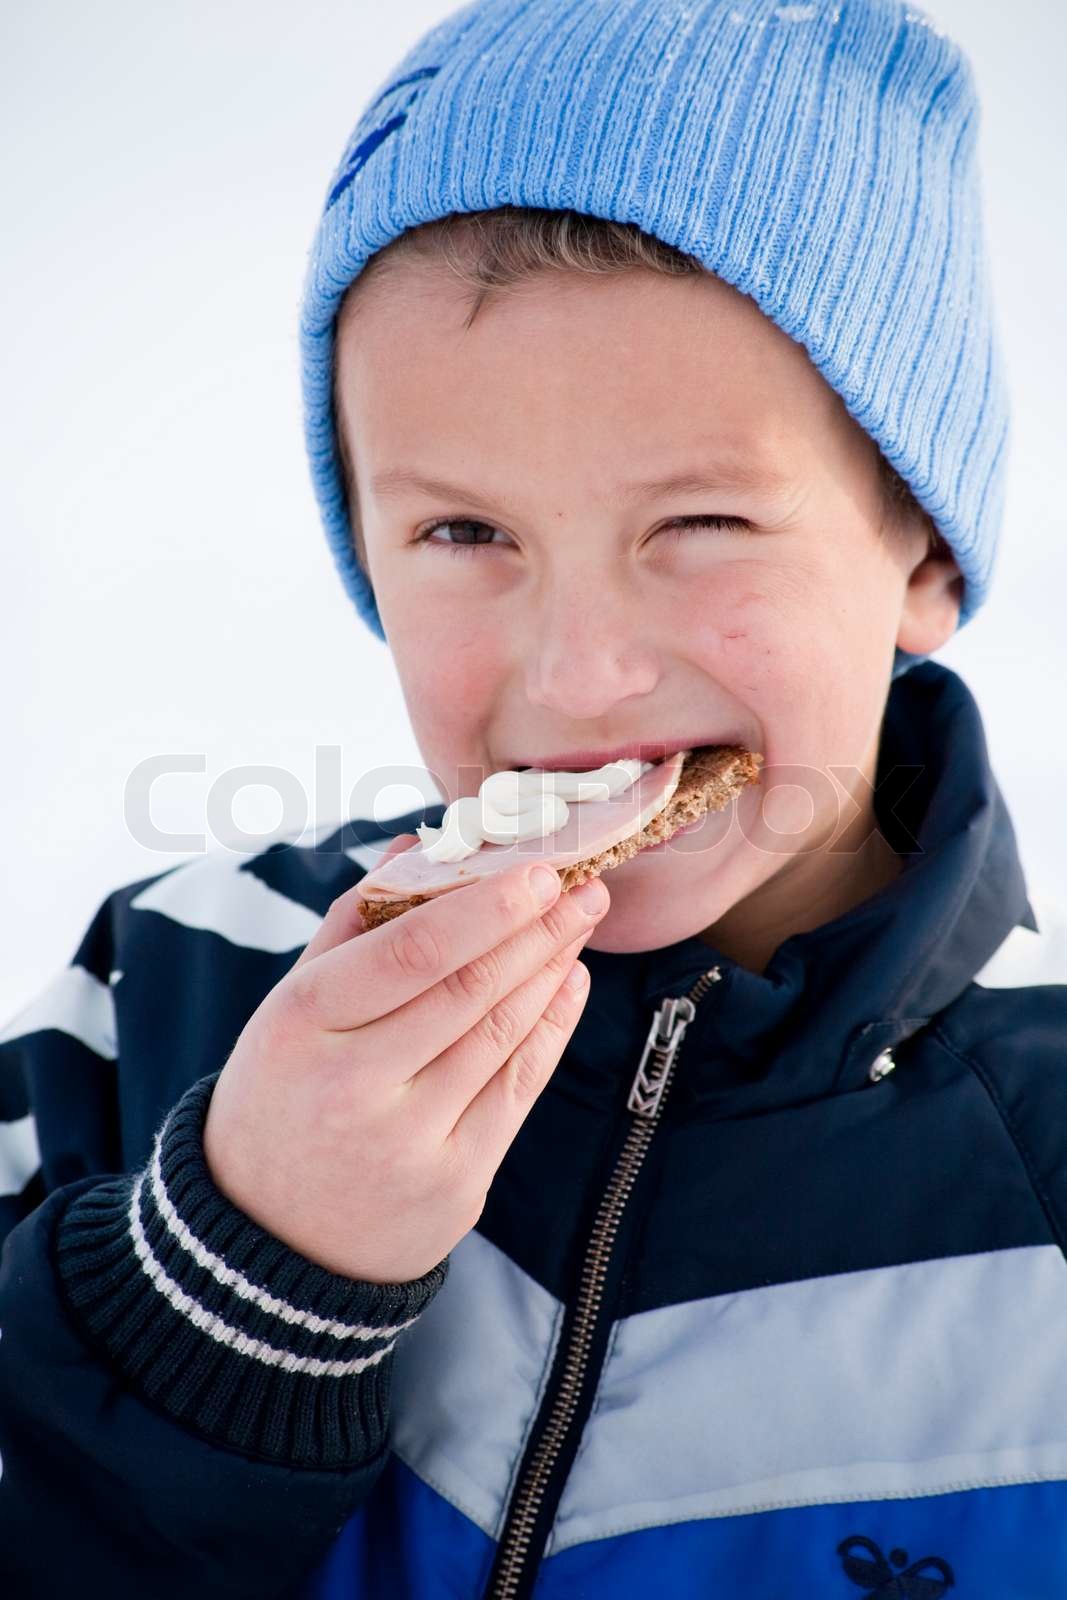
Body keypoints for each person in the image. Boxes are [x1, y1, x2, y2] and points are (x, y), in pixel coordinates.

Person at [2, 0, 1065, 1595]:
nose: (575, 677)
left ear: (918, 549)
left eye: (700, 521)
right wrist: (238, 1261)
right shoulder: (167, 986)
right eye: (462, 535)